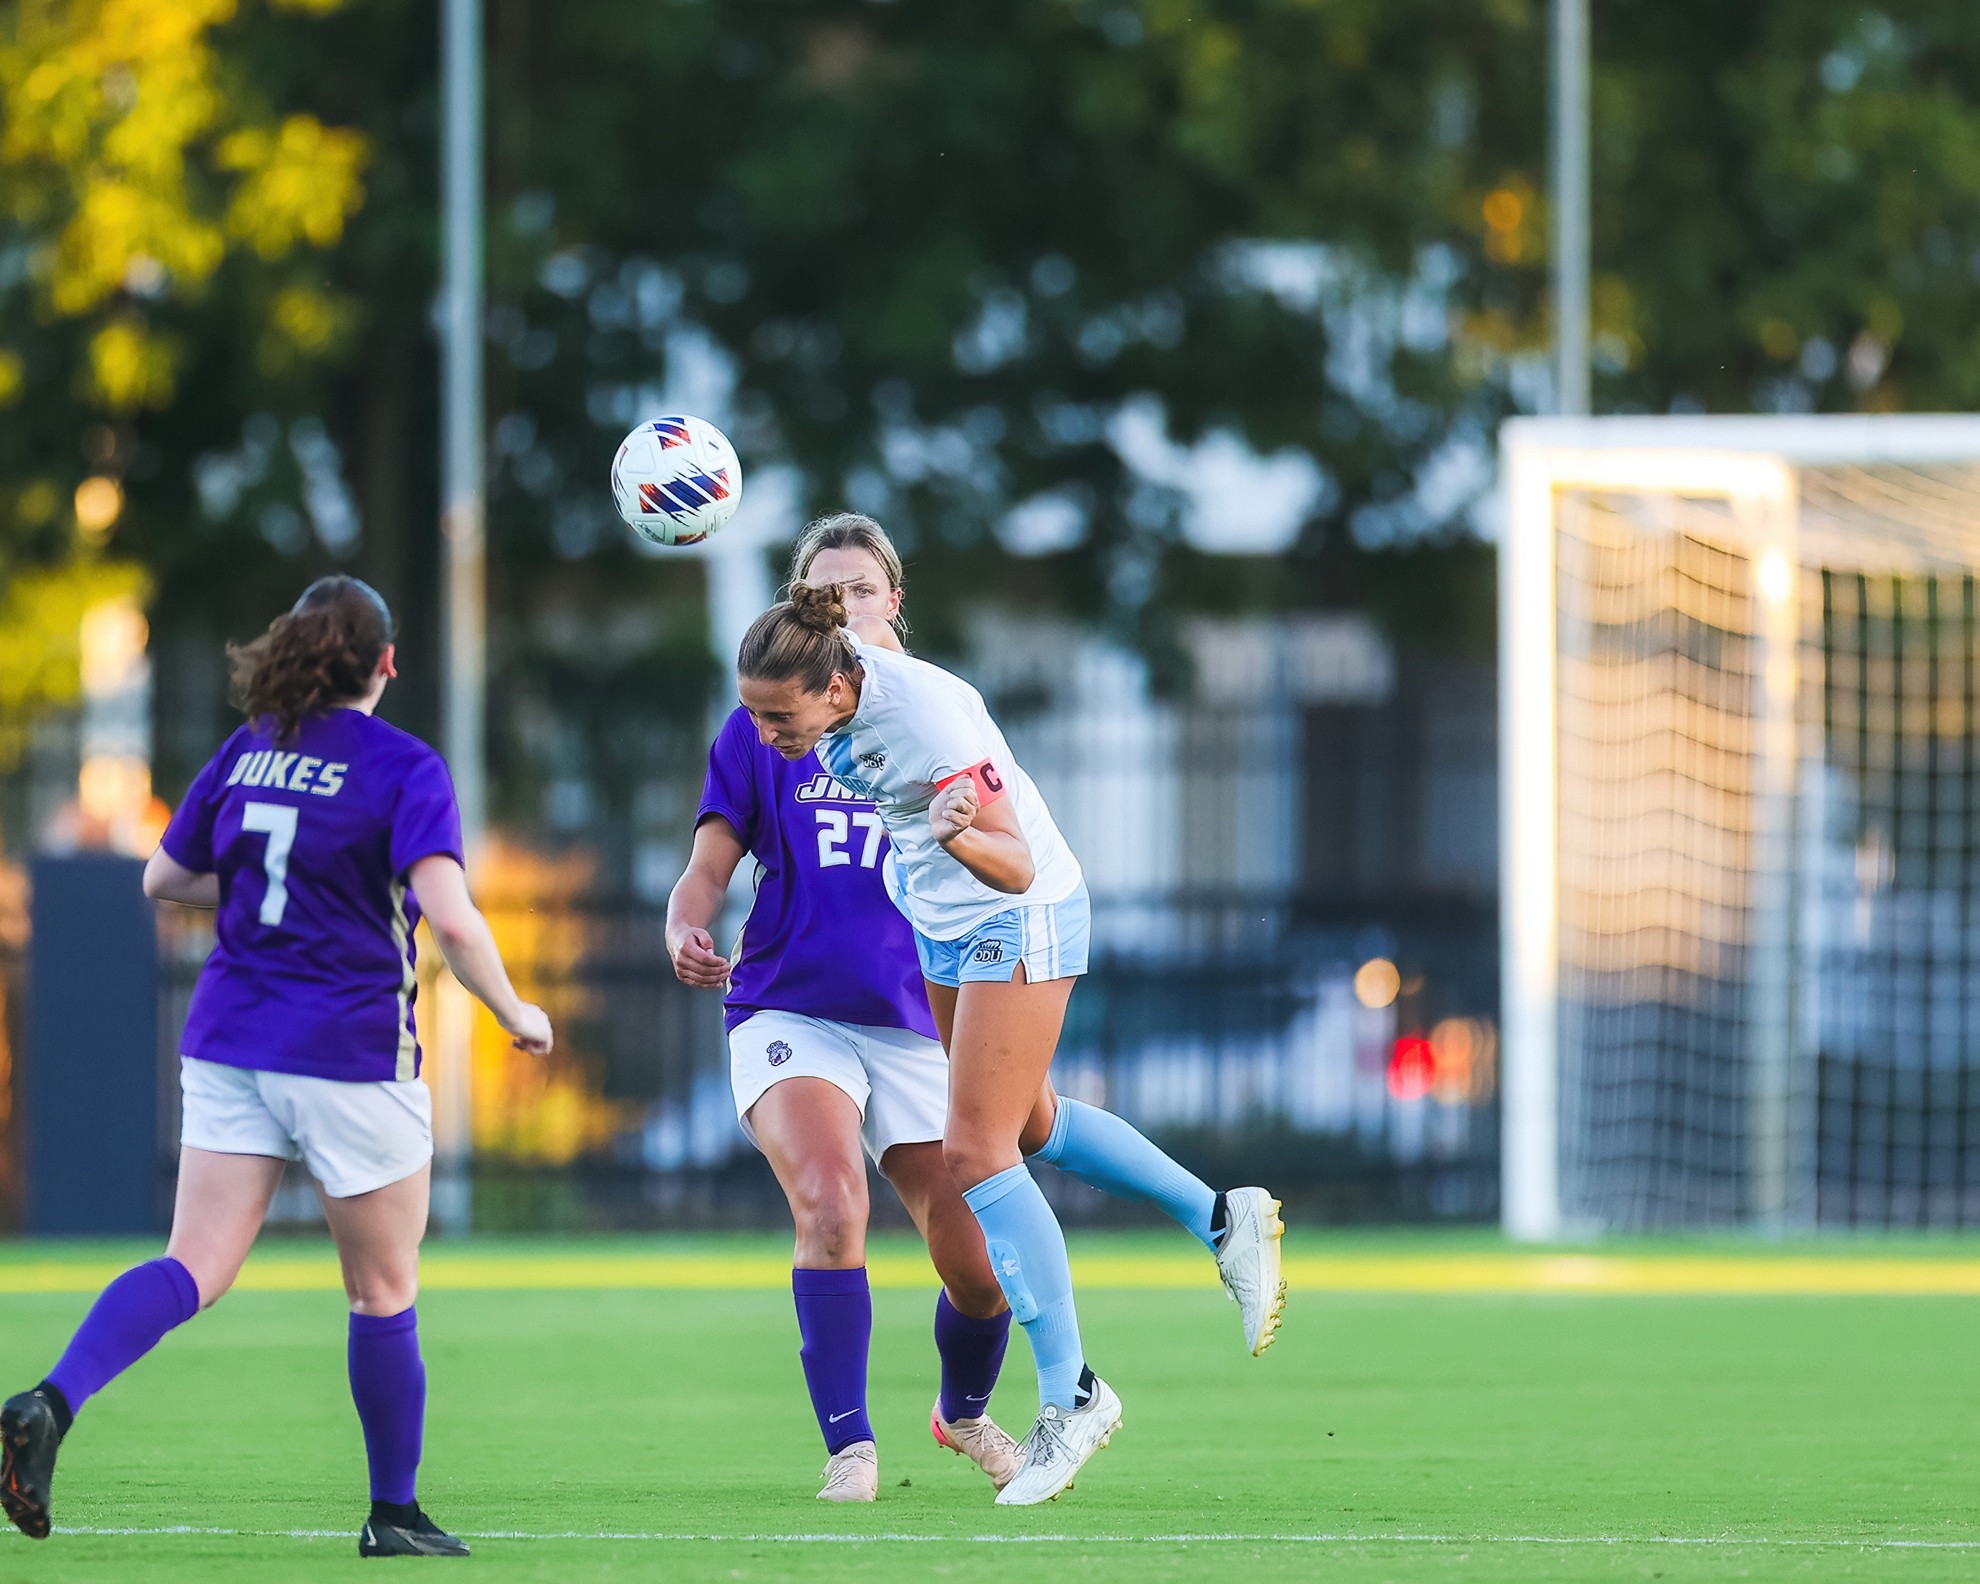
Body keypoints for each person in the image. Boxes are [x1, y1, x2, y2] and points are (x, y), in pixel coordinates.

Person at [0, 577, 553, 1557]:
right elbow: (455, 919)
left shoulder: (252, 745)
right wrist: (516, 1012)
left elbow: (164, 877)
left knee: (193, 1266)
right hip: (348, 1051)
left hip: (230, 1041)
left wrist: (274, 893)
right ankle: (393, 1516)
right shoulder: (405, 766)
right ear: (386, 663)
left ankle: (50, 1400)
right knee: (381, 1290)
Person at [735, 579, 1286, 1508]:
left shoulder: (927, 723)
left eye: (776, 717)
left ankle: (1074, 1395)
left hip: (1013, 915)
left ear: (832, 689)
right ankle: (1224, 1219)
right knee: (1030, 1126)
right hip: (942, 922)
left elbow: (1017, 862)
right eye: (754, 714)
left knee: (974, 1151)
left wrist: (954, 838)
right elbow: (853, 615)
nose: (764, 734)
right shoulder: (836, 661)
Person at [666, 514, 1023, 1502]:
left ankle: (963, 1414)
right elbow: (706, 867)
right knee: (831, 1204)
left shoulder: (936, 714)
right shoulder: (765, 722)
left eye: (861, 589)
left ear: (893, 601)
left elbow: (1011, 853)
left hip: (917, 1016)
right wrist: (684, 925)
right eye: (824, 593)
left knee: (980, 1269)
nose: (844, 606)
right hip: (791, 1008)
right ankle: (851, 1449)